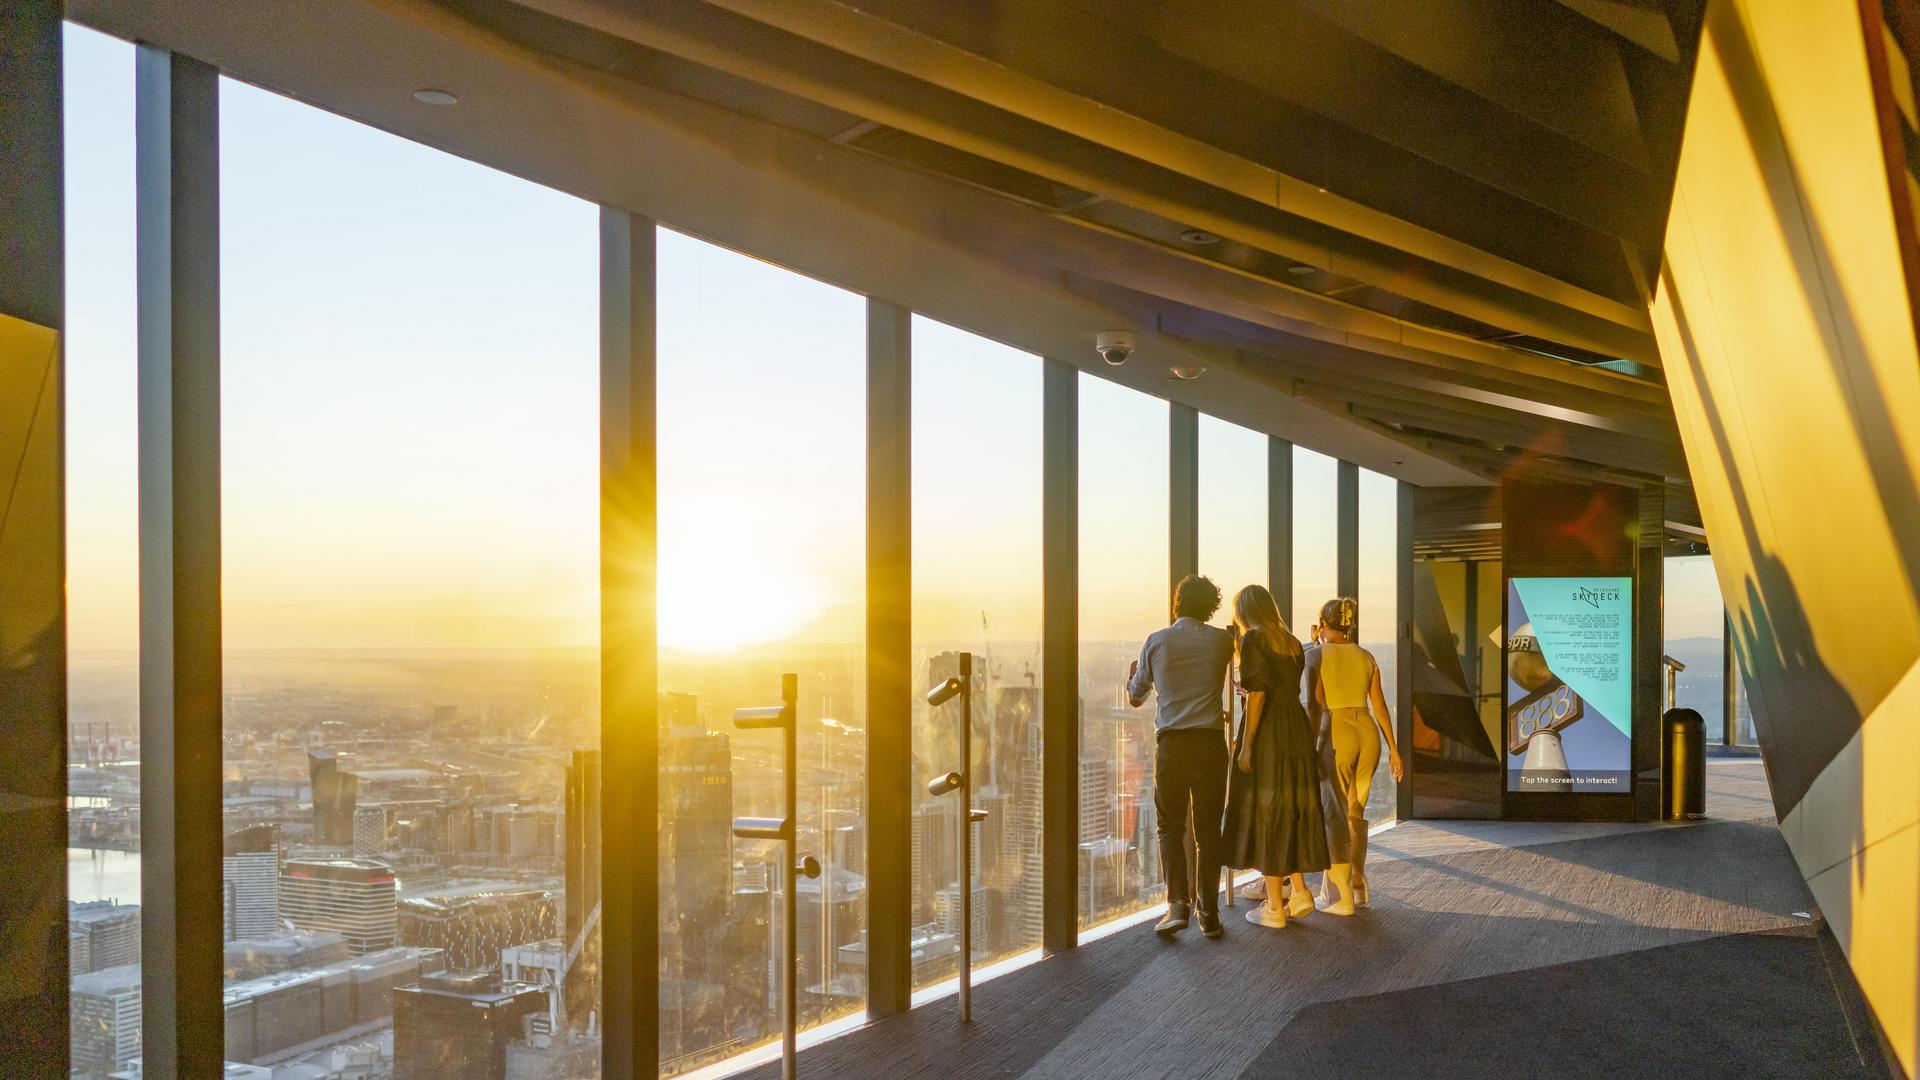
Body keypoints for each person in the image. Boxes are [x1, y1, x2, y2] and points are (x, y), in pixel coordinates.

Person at [1127, 575, 1235, 939]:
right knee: (1208, 832)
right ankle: (1209, 911)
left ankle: (1177, 905)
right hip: (1209, 744)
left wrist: (1132, 679)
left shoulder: (1156, 641)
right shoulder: (1222, 640)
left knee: (1170, 826)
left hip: (1172, 746)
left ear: (1177, 603)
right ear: (1211, 606)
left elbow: (1136, 696)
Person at [1222, 585, 1330, 929]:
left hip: (1270, 729)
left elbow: (1258, 695)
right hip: (1294, 726)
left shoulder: (1254, 639)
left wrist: (1247, 744)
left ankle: (1274, 907)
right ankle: (1297, 890)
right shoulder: (1292, 641)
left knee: (1267, 808)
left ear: (1246, 611)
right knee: (1289, 806)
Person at [1308, 597, 1403, 909]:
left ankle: (1336, 893)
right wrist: (1394, 749)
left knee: (1334, 815)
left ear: (1322, 625)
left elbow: (1315, 703)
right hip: (1367, 732)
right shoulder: (1367, 656)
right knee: (1355, 813)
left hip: (1338, 730)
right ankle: (1359, 883)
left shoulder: (1317, 655)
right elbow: (1379, 704)